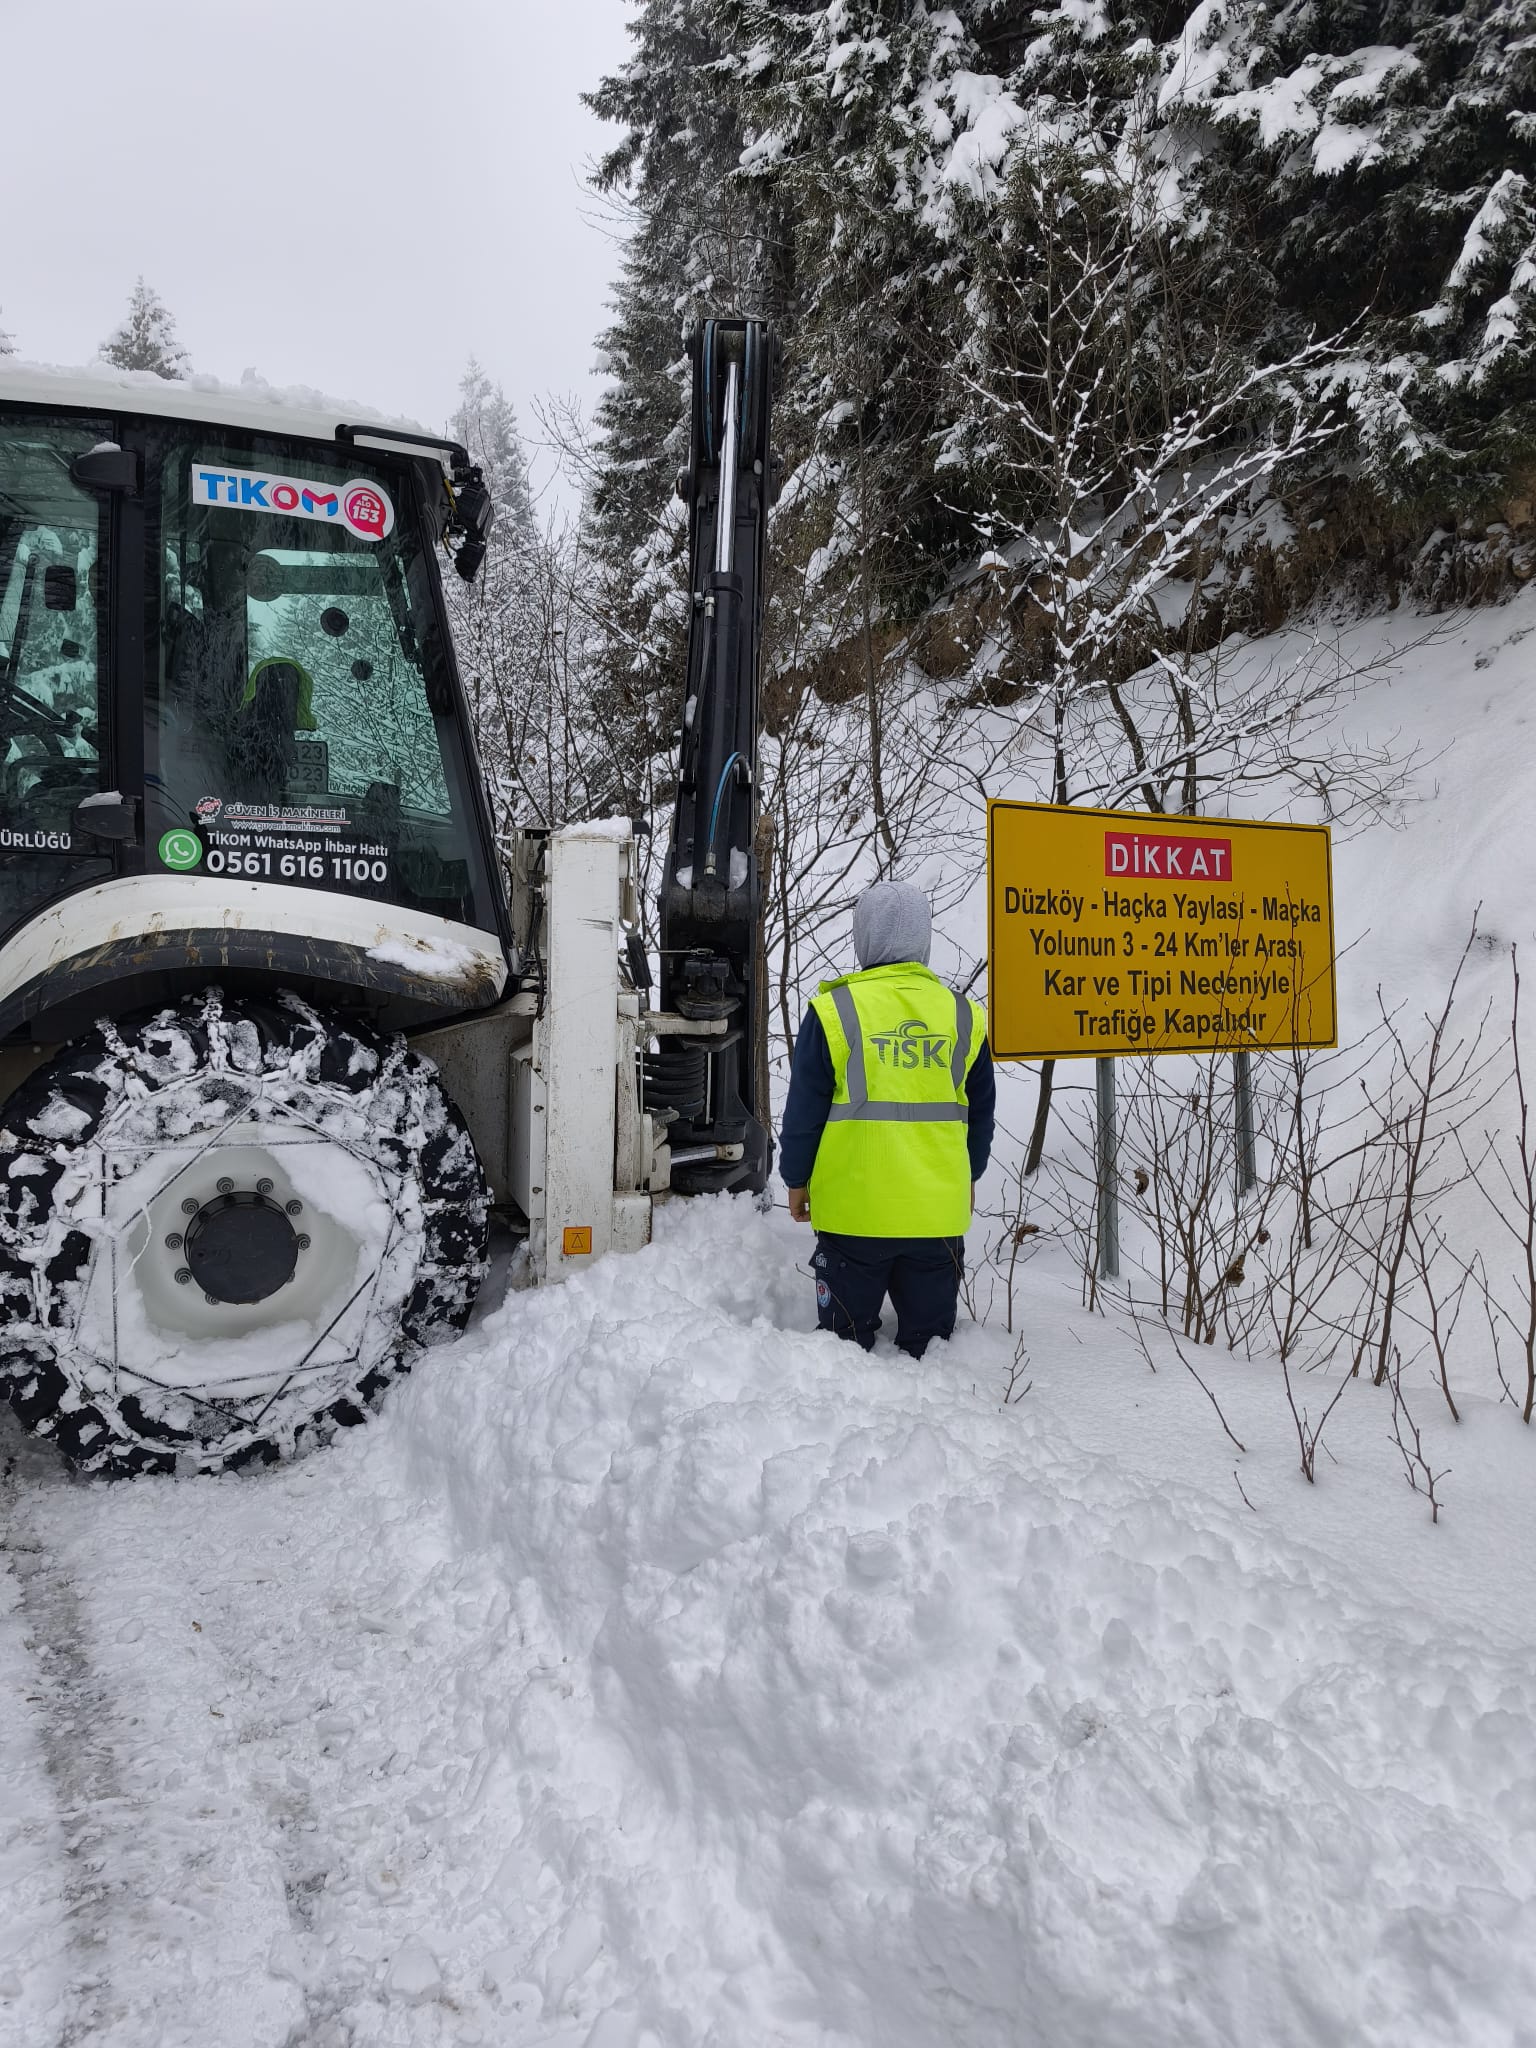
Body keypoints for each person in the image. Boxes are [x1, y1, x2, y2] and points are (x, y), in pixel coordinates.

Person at [780, 879, 995, 1357]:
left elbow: (804, 1111)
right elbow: (980, 1116)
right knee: (933, 1352)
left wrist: (796, 1179)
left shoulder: (834, 1011)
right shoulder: (963, 1015)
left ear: (864, 936)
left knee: (843, 1350)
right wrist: (969, 1175)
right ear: (924, 938)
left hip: (852, 1219)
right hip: (936, 1218)